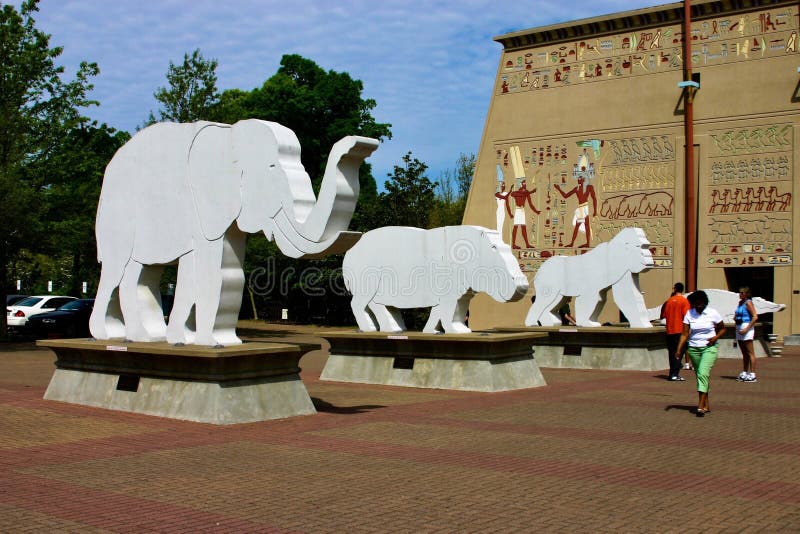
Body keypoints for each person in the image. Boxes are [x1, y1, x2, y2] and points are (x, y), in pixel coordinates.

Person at [676, 290, 726, 417]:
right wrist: (679, 349)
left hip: (709, 348)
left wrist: (715, 337)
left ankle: (700, 406)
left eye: (701, 304)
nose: (699, 306)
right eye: (696, 304)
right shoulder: (689, 314)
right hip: (693, 349)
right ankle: (706, 404)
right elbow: (685, 333)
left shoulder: (712, 313)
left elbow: (723, 328)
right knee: (700, 375)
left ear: (705, 303)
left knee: (703, 373)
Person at [660, 282, 690, 381]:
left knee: (671, 353)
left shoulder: (669, 301)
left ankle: (671, 373)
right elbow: (687, 316)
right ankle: (675, 374)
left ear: (675, 289)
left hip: (670, 330)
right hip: (680, 331)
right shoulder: (684, 301)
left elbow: (664, 315)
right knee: (679, 352)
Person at [734, 286, 759, 382]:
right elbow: (737, 314)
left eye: (742, 293)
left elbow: (755, 317)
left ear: (747, 294)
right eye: (739, 292)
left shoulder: (748, 303)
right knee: (744, 353)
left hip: (746, 327)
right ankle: (744, 372)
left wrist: (747, 329)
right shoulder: (740, 303)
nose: (740, 294)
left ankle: (753, 374)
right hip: (739, 326)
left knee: (750, 352)